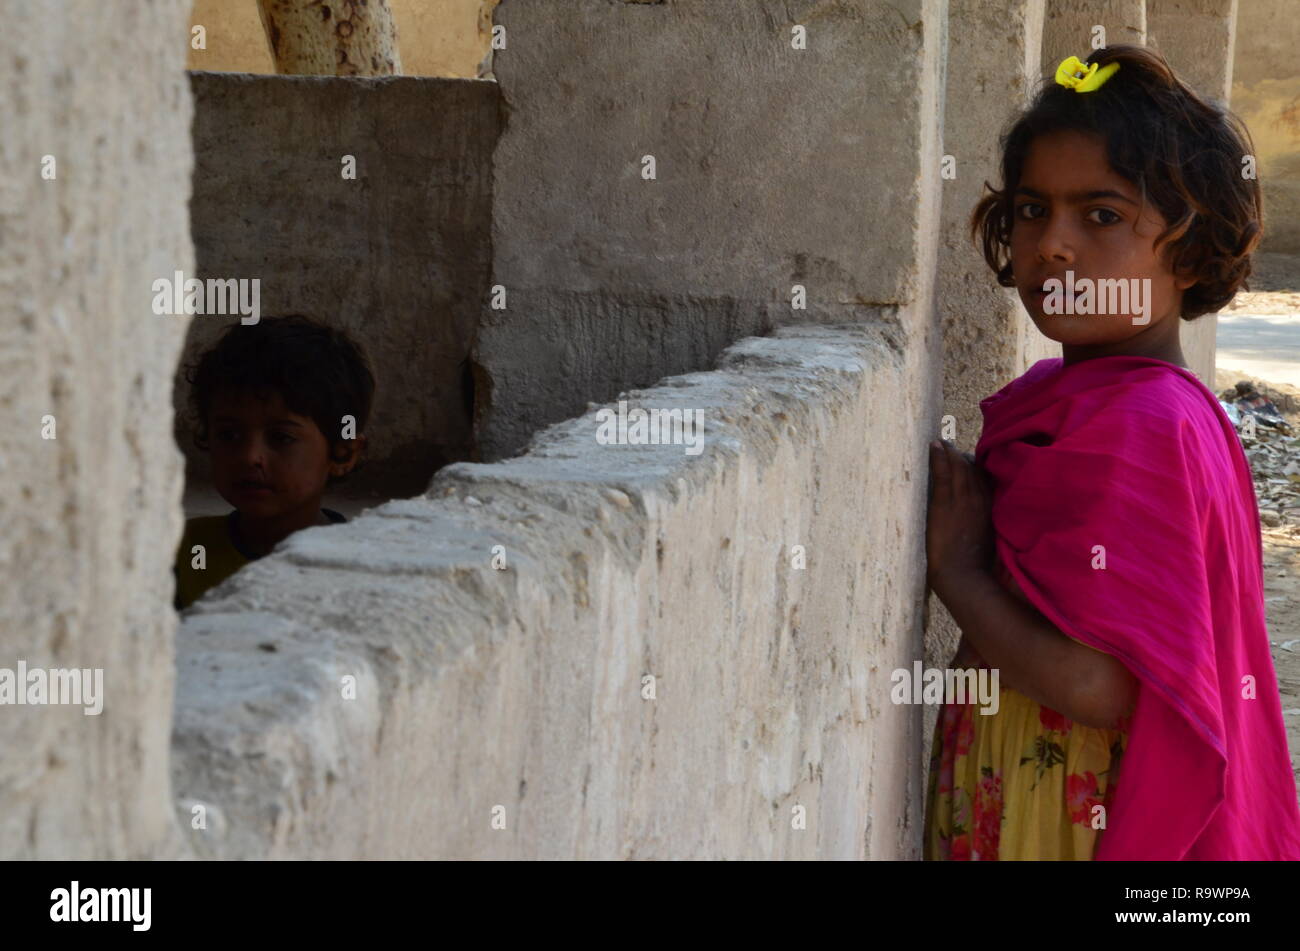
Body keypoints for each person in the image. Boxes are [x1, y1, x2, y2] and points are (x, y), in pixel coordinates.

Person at [924, 45, 1300, 860]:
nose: (1053, 246)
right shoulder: (1113, 406)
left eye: (1101, 215)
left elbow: (1100, 685)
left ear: (1191, 251)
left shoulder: (1140, 427)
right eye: (1032, 210)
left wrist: (959, 574)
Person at [173, 316, 374, 610]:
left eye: (281, 437)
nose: (249, 456)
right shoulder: (187, 549)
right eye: (229, 435)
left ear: (343, 453)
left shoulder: (360, 565)